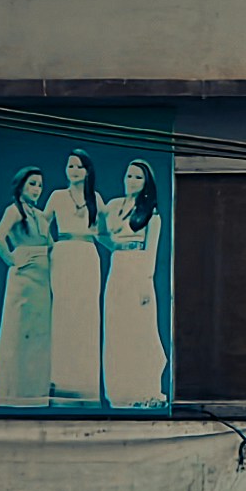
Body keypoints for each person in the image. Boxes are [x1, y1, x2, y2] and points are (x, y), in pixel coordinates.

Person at [98, 160, 166, 410]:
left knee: (140, 329)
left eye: (138, 177)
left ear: (145, 182)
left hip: (138, 268)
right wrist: (114, 246)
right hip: (118, 266)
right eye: (129, 175)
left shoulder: (150, 214)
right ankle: (119, 390)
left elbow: (152, 252)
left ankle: (143, 388)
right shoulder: (113, 206)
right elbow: (99, 232)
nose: (131, 181)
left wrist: (144, 285)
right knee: (117, 327)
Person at [43, 150, 105, 404]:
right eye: (70, 166)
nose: (73, 171)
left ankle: (85, 378)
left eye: (78, 167)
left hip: (87, 254)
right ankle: (61, 377)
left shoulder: (95, 198)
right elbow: (41, 224)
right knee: (64, 310)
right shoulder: (57, 196)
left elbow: (104, 230)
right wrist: (51, 245)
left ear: (87, 171)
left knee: (86, 312)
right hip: (64, 253)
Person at [0, 170, 54, 408]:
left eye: (39, 184)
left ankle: (35, 390)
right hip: (24, 276)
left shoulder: (40, 215)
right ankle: (14, 392)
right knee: (19, 330)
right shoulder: (14, 210)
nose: (37, 189)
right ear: (21, 187)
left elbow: (51, 243)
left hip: (44, 274)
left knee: (40, 334)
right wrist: (12, 260)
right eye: (32, 184)